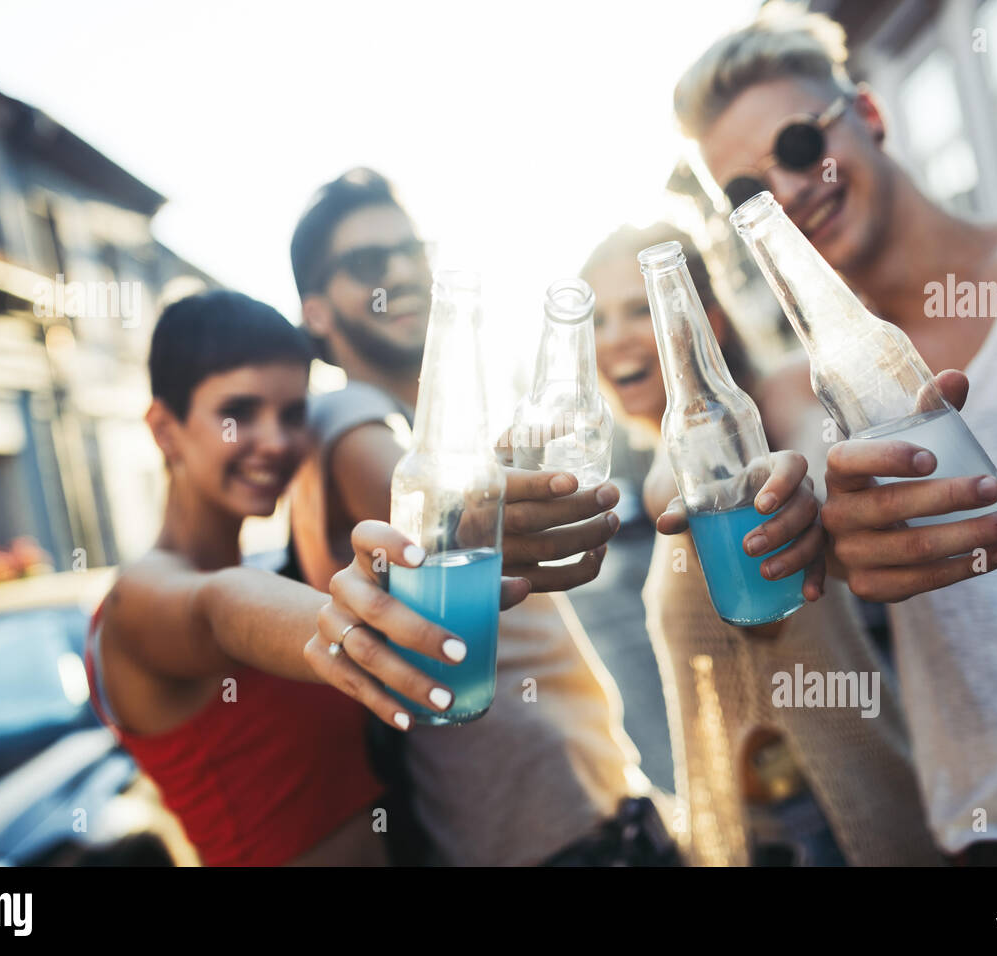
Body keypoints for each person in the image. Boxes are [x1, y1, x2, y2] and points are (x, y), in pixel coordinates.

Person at [674, 3, 997, 865]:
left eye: (799, 146)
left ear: (868, 115)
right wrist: (811, 544)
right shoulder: (796, 399)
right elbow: (735, 550)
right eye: (748, 192)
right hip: (983, 846)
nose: (790, 191)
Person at [286, 169, 807, 865]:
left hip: (592, 812)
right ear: (317, 311)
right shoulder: (345, 417)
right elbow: (438, 503)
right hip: (540, 841)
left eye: (414, 250)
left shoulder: (429, 424)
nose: (403, 272)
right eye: (369, 264)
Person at [84, 290, 525, 866]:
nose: (276, 441)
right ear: (165, 429)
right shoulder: (136, 600)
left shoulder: (277, 570)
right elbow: (218, 610)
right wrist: (343, 617)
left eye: (293, 414)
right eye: (237, 414)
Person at [584, 222, 940, 866]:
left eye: (641, 309)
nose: (617, 339)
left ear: (704, 320)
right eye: (599, 320)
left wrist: (803, 489)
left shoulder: (773, 399)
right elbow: (670, 476)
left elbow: (808, 441)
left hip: (839, 824)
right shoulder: (659, 453)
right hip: (750, 835)